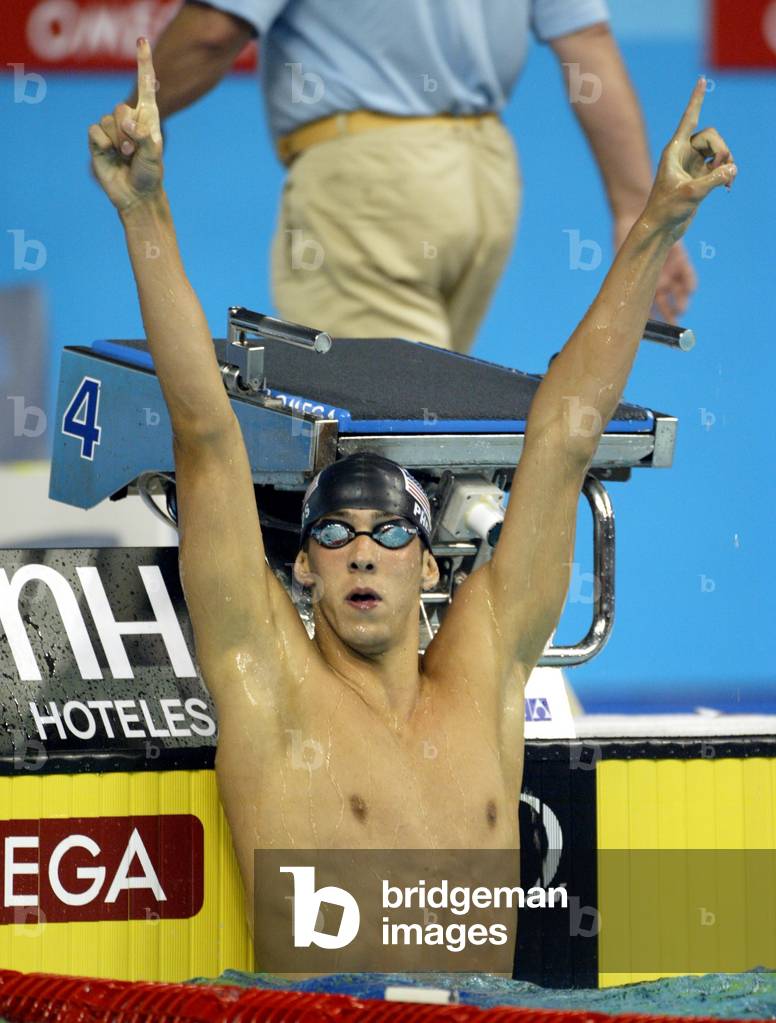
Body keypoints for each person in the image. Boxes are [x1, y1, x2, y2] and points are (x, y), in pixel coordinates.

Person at [89, 40, 734, 965]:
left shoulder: (482, 682)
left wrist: (658, 222)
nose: (361, 550)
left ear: (430, 562)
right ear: (302, 563)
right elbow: (204, 435)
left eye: (391, 531)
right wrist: (145, 209)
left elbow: (560, 443)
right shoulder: (273, 690)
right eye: (336, 532)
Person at [116, 0, 697, 352]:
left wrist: (132, 121)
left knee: (373, 464)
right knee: (422, 435)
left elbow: (214, 29)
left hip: (373, 185)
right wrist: (633, 210)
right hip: (483, 177)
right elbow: (587, 44)